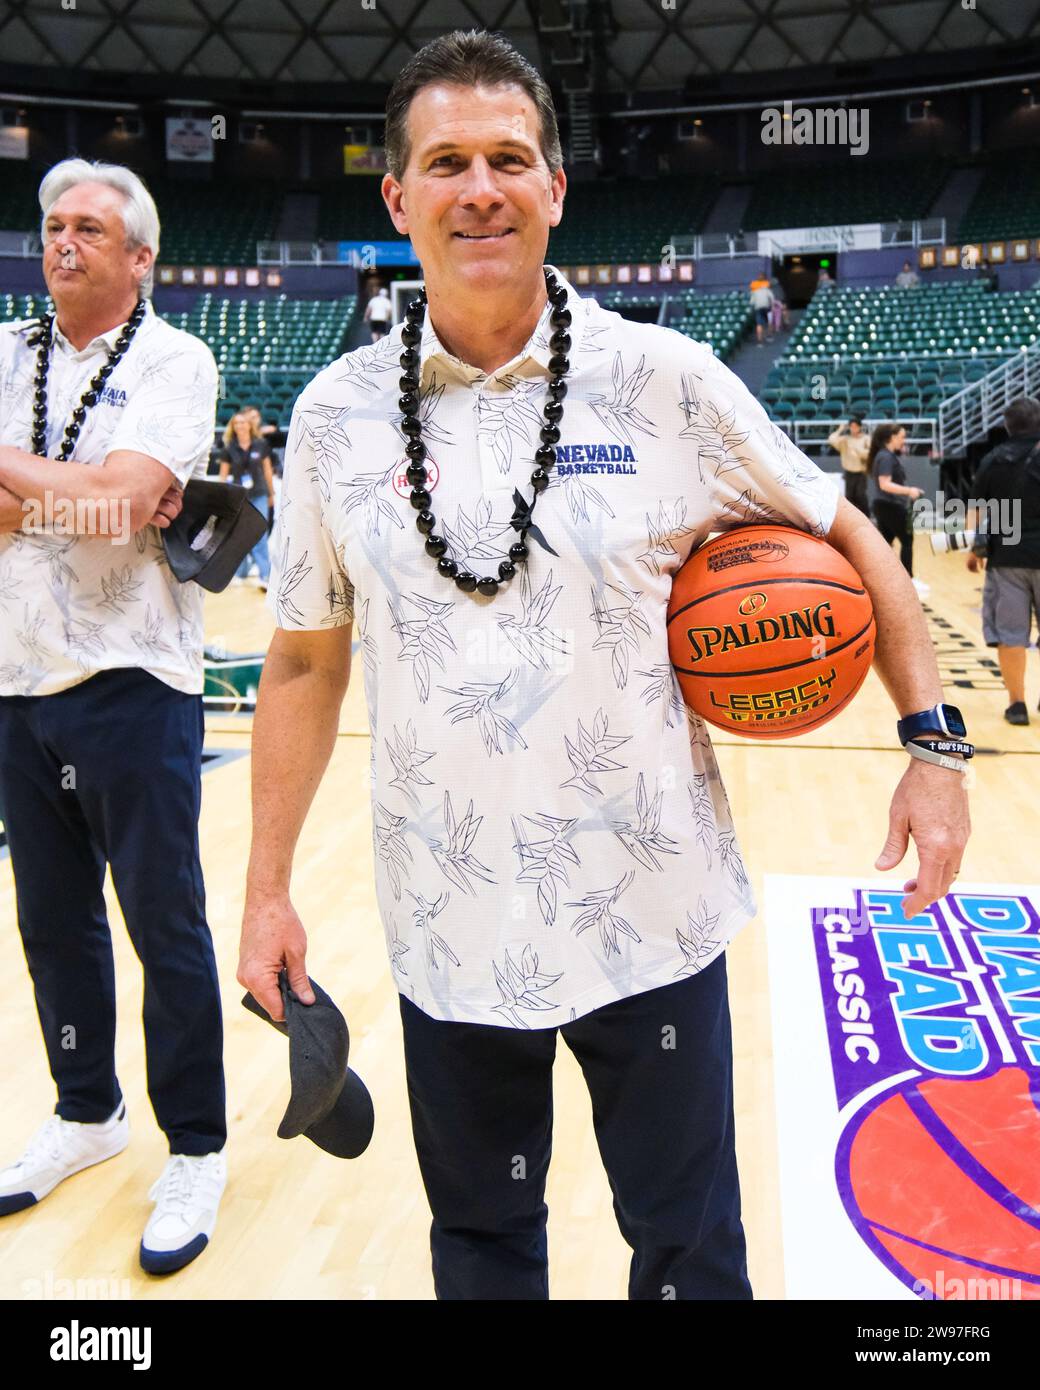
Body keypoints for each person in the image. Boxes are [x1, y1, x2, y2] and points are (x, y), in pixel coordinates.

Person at [238, 29, 970, 1303]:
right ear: (397, 197)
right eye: (447, 160)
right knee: (480, 1252)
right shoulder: (332, 420)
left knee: (687, 1256)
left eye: (509, 158)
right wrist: (264, 890)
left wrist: (932, 746)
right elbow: (302, 663)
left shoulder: (667, 381)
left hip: (653, 914)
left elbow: (852, 536)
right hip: (447, 927)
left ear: (554, 188)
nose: (481, 187)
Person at [0, 159, 227, 1272]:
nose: (62, 242)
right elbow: (80, 500)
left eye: (88, 227)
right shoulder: (6, 352)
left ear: (139, 255)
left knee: (162, 922)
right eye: (51, 225)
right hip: (15, 676)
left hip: (134, 679)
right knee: (51, 922)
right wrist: (66, 489)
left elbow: (121, 504)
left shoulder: (177, 361)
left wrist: (39, 490)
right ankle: (87, 1110)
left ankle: (196, 1142)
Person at [967, 396, 1040, 725]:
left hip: (1007, 558)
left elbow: (977, 512)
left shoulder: (993, 460)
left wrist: (974, 549)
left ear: (1007, 425)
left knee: (1011, 635)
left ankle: (1017, 704)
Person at [218, 409, 276, 588]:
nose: (240, 426)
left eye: (243, 422)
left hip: (259, 494)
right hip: (239, 497)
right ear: (233, 427)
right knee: (239, 536)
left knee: (260, 534)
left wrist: (271, 493)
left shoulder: (260, 445)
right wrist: (222, 498)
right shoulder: (228, 448)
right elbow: (223, 476)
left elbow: (267, 471)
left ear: (249, 425)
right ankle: (241, 573)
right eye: (236, 423)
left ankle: (265, 576)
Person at [868, 422, 926, 593]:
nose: (904, 441)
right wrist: (910, 491)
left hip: (883, 505)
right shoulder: (886, 457)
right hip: (890, 505)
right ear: (892, 437)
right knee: (907, 540)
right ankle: (909, 580)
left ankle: (878, 580)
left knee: (886, 545)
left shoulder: (883, 455)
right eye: (902, 437)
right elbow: (884, 484)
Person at [828, 413, 871, 515]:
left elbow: (870, 453)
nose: (853, 429)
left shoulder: (866, 438)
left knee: (861, 495)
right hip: (849, 472)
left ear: (860, 427)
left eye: (855, 426)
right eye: (851, 426)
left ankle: (867, 516)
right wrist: (840, 429)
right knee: (850, 496)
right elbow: (832, 440)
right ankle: (853, 517)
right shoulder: (845, 440)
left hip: (861, 472)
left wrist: (858, 452)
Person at [749, 278, 774, 346]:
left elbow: (751, 303)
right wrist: (772, 307)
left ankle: (760, 341)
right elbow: (772, 298)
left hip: (758, 308)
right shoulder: (767, 290)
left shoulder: (755, 292)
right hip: (767, 308)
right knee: (769, 321)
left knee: (759, 324)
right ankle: (769, 336)